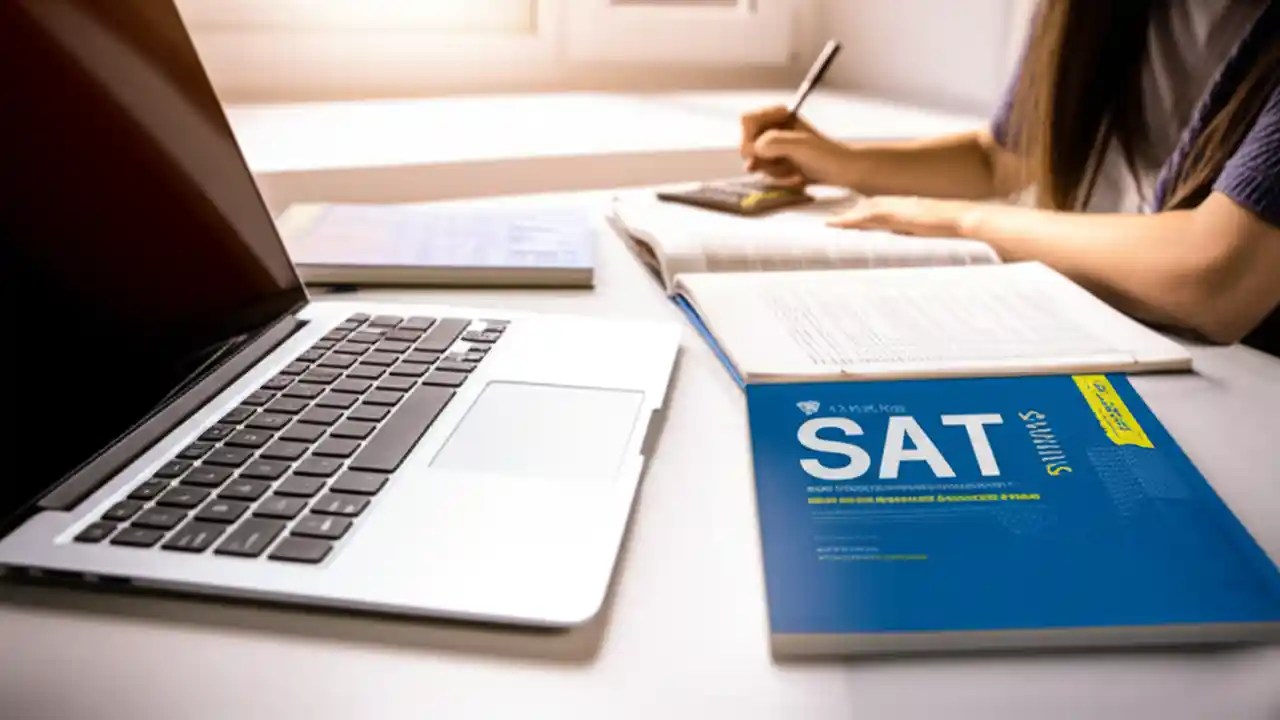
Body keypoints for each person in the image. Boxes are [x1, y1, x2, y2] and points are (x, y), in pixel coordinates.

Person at [740, 0, 1280, 356]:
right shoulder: (1091, 15)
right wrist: (840, 161)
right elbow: (1001, 157)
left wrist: (962, 222)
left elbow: (1216, 275)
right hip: (1122, 339)